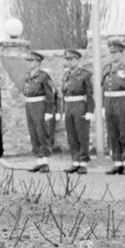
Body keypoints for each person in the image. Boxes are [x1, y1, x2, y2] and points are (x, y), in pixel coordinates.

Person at [102, 39, 125, 176]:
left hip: (123, 102)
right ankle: (117, 162)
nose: (112, 55)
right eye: (111, 52)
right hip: (109, 101)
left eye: (115, 52)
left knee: (124, 132)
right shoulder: (106, 68)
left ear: (122, 53)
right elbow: (103, 88)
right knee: (112, 133)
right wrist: (102, 106)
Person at [59, 47, 93, 175]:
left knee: (82, 134)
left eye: (71, 59)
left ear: (78, 60)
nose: (69, 62)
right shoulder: (66, 75)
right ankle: (75, 161)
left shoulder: (85, 74)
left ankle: (83, 162)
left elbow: (90, 93)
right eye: (67, 60)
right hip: (69, 105)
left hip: (80, 104)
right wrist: (63, 111)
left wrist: (90, 110)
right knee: (71, 135)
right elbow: (63, 94)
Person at [22, 51, 56, 172]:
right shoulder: (28, 76)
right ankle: (39, 160)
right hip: (30, 104)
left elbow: (50, 95)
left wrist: (48, 111)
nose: (29, 63)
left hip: (40, 105)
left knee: (42, 133)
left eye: (32, 61)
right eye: (29, 61)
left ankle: (45, 162)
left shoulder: (43, 76)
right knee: (33, 133)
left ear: (38, 62)